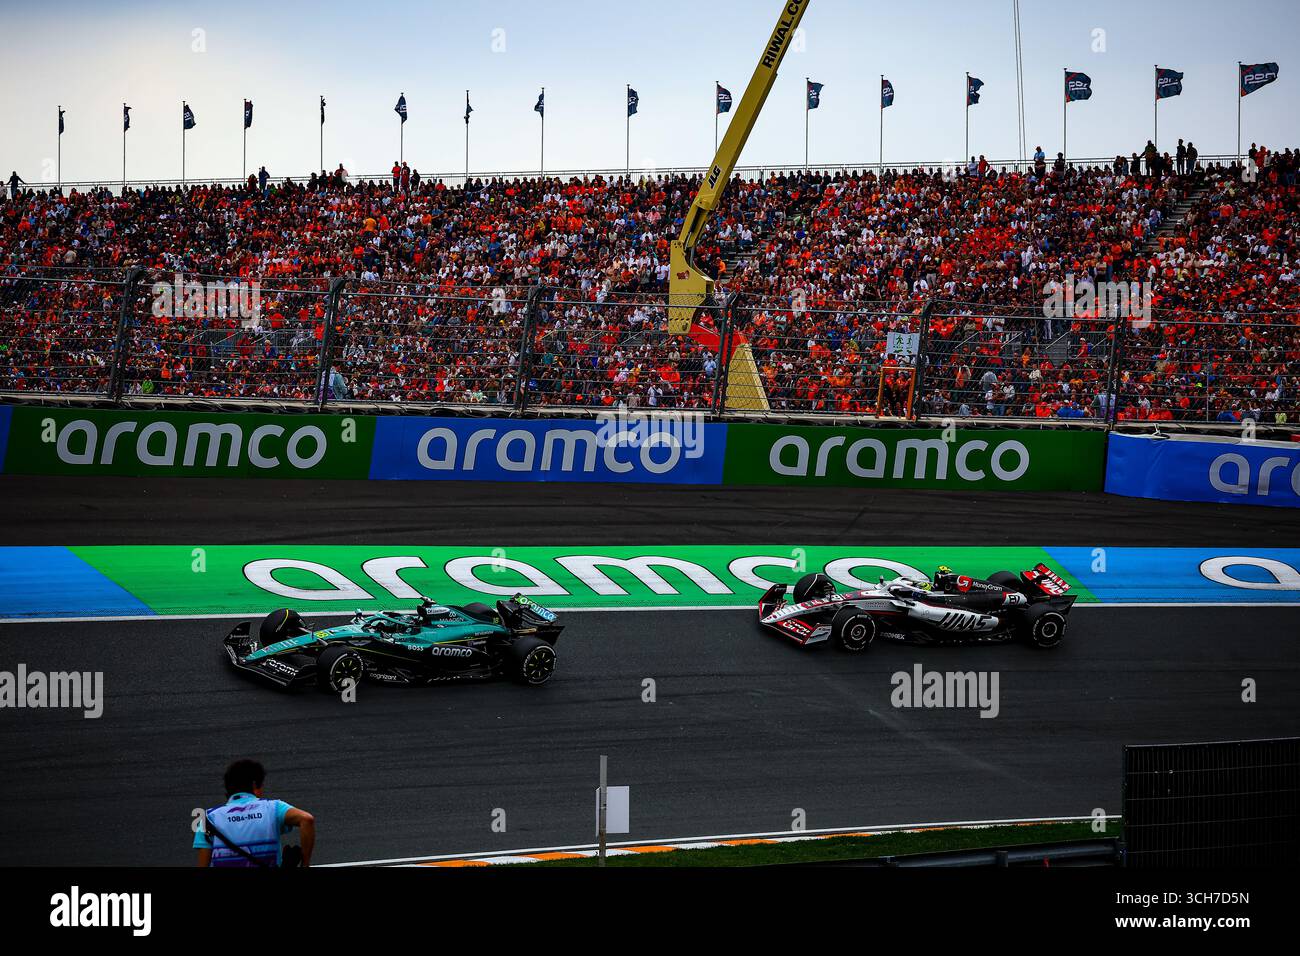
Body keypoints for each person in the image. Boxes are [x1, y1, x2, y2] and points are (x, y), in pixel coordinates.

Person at [194, 759, 315, 867]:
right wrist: (305, 865)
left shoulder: (207, 819)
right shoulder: (273, 808)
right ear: (254, 785)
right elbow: (306, 819)